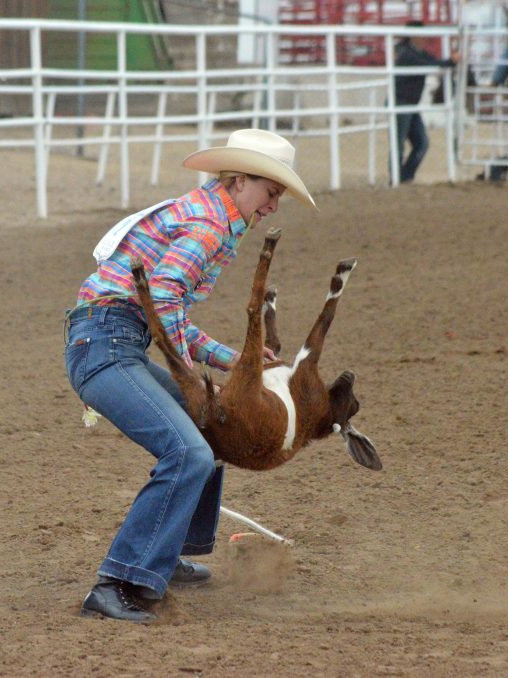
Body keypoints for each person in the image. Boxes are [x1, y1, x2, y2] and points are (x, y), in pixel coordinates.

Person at [65, 128, 316, 623]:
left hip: (109, 341)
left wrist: (233, 362)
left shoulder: (204, 214)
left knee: (210, 430)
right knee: (190, 450)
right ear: (241, 181)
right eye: (271, 193)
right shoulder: (207, 226)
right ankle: (117, 583)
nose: (273, 206)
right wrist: (193, 381)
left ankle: (161, 556)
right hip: (107, 345)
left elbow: (164, 308)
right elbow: (160, 300)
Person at [393, 20, 459, 184]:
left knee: (420, 143)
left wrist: (449, 61)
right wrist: (451, 61)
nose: (424, 38)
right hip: (402, 103)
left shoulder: (412, 52)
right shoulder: (407, 54)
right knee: (401, 143)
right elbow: (431, 64)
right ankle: (396, 177)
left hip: (409, 104)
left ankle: (403, 177)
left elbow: (432, 61)